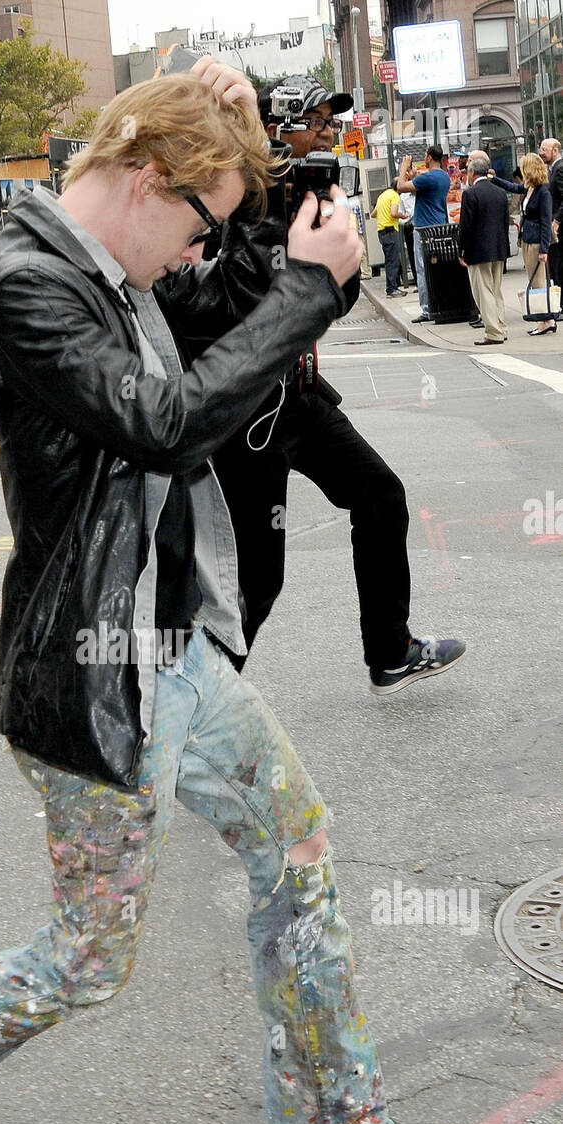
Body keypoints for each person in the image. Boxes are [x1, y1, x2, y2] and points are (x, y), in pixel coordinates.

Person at [0, 60, 466, 1124]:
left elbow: (242, 297)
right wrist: (304, 291)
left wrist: (248, 145)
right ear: (144, 181)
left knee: (294, 851)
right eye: (196, 219)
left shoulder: (126, 263)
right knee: (85, 963)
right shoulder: (28, 288)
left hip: (178, 652)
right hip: (99, 682)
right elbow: (166, 422)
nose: (199, 252)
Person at [212, 80, 466, 695]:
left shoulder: (312, 193)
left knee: (381, 496)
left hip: (298, 396)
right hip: (246, 411)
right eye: (318, 120)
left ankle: (390, 650)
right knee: (256, 580)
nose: (329, 131)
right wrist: (281, 221)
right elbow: (234, 297)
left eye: (331, 121)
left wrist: (329, 230)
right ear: (279, 128)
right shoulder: (236, 195)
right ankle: (194, 707)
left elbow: (337, 299)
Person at [495, 153, 556, 337]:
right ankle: (544, 320)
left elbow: (546, 221)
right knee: (533, 279)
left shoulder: (542, 192)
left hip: (537, 241)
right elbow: (513, 187)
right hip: (528, 239)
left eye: (523, 167)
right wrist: (494, 179)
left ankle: (545, 320)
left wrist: (544, 249)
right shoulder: (529, 188)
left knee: (538, 282)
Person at [457, 154, 510, 345]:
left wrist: (462, 250)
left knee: (483, 292)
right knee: (496, 291)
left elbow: (466, 226)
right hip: (498, 249)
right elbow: (505, 223)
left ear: (471, 172)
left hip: (478, 251)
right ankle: (501, 327)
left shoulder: (470, 194)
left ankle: (493, 332)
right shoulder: (500, 192)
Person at [397, 144, 452, 324]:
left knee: (422, 270)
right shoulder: (444, 176)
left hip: (423, 229)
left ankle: (427, 308)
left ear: (428, 157)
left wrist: (403, 167)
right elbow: (423, 188)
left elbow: (400, 187)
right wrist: (415, 177)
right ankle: (441, 304)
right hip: (440, 225)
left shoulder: (427, 177)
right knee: (439, 269)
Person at [372, 179, 407, 296]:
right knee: (393, 261)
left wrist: (383, 215)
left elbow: (373, 214)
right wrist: (402, 215)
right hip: (390, 230)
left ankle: (391, 287)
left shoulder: (382, 195)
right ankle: (392, 288)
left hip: (381, 231)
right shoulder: (395, 196)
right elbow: (393, 213)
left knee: (389, 260)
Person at [539, 137, 563, 289]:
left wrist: (557, 221)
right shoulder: (552, 169)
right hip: (554, 228)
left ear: (555, 150)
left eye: (544, 150)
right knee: (556, 267)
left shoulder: (559, 168)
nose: (541, 153)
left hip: (559, 230)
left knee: (559, 266)